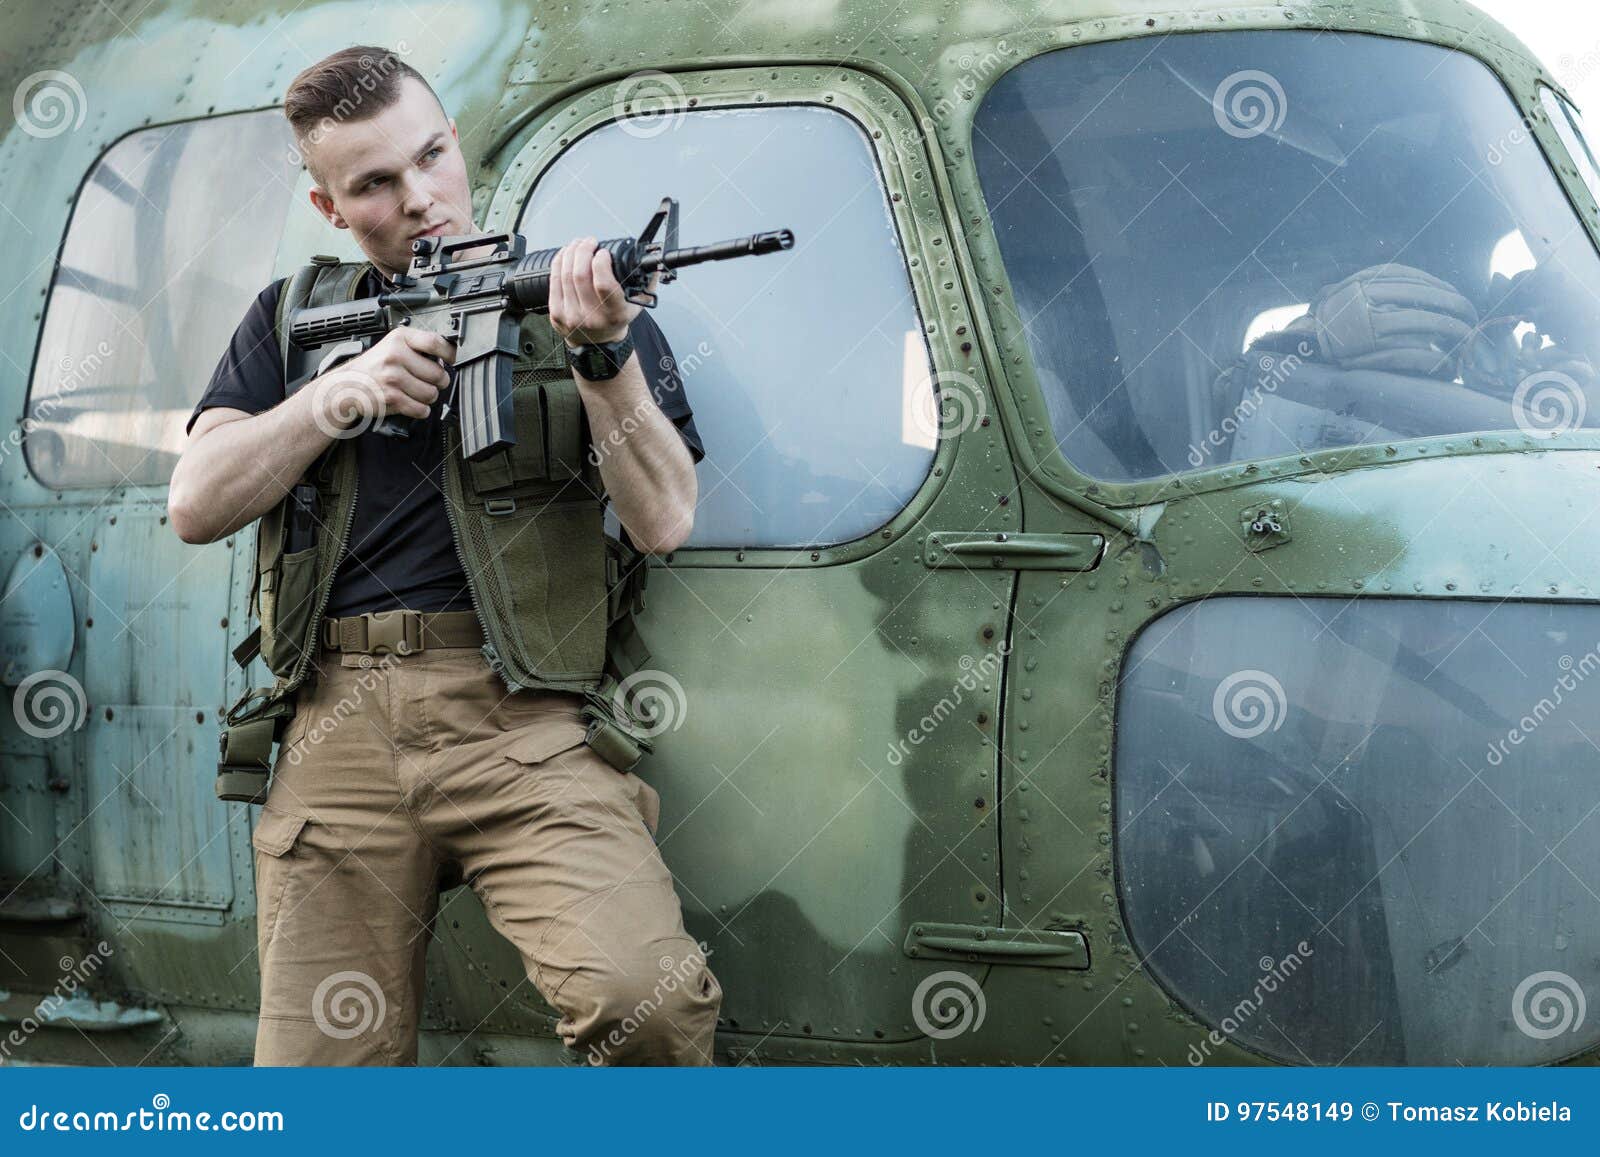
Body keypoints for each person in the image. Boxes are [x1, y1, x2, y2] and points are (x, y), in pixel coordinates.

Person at [168, 45, 721, 1066]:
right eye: (375, 183)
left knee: (645, 998)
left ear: (453, 143)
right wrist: (343, 394)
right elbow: (197, 502)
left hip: (520, 719)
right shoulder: (294, 320)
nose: (420, 198)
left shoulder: (572, 301)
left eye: (429, 157)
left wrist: (600, 353)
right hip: (335, 723)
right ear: (329, 206)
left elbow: (664, 519)